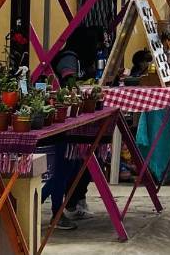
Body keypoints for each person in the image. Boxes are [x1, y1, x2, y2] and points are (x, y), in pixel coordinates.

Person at [47, 24, 103, 227]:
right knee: (66, 167)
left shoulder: (76, 59)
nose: (98, 47)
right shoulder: (69, 59)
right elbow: (69, 84)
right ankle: (55, 208)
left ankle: (69, 202)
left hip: (69, 121)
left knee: (76, 165)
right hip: (61, 122)